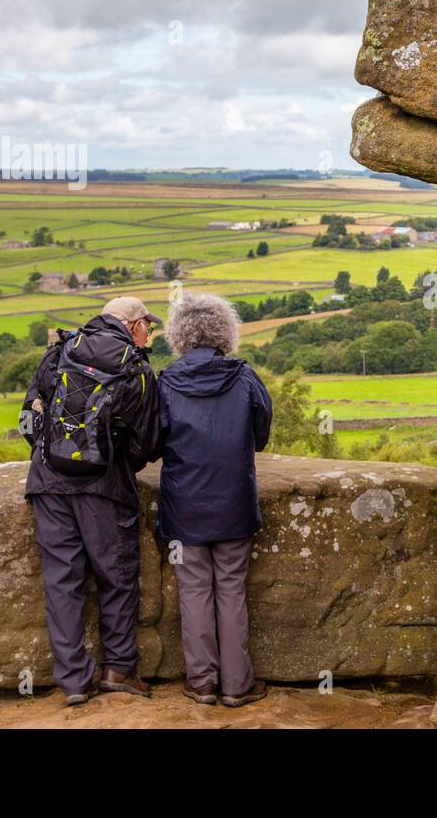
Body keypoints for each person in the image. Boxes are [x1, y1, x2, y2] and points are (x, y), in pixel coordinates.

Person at [20, 297, 161, 706]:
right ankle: (119, 669)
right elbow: (148, 442)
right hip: (105, 489)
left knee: (61, 582)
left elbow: (30, 419)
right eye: (146, 326)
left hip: (49, 484)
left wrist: (56, 457)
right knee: (115, 577)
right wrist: (113, 461)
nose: (148, 333)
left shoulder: (58, 352)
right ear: (133, 326)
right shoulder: (137, 369)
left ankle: (75, 682)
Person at [156, 292, 272, 707]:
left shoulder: (166, 382)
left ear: (179, 334)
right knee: (231, 589)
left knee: (193, 591)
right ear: (225, 330)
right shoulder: (245, 379)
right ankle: (238, 687)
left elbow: (153, 443)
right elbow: (260, 434)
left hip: (184, 507)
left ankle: (202, 683)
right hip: (235, 504)